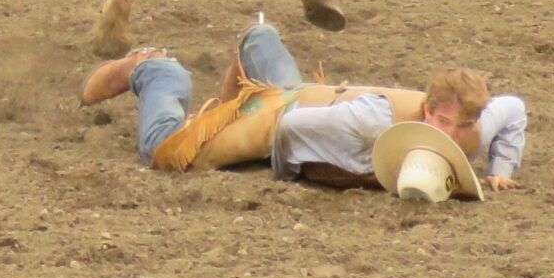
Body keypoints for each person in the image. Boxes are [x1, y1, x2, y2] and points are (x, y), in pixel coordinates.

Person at [80, 18, 527, 197]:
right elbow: (290, 127)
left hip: (307, 94)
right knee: (168, 155)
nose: (447, 133)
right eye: (440, 121)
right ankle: (158, 71)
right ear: (427, 110)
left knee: (278, 70)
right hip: (274, 119)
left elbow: (514, 108)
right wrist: (284, 172)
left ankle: (259, 37)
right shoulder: (369, 123)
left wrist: (502, 166)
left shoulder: (473, 131)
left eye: (458, 126)